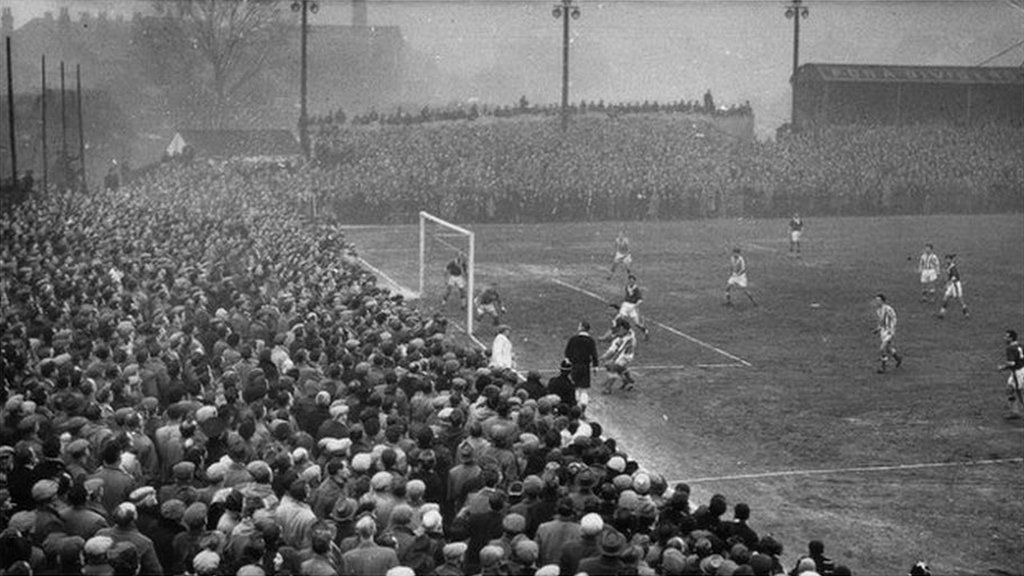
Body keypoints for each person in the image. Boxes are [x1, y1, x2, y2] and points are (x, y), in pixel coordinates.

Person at [564, 321, 600, 405]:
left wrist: (568, 360)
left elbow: (567, 352)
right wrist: (595, 366)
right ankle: (583, 406)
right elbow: (594, 354)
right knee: (584, 389)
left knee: (575, 386)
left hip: (575, 366)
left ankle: (575, 404)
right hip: (585, 367)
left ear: (582, 328)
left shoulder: (573, 339)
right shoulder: (590, 340)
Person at [600, 318, 637, 393]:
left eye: (617, 328)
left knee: (613, 366)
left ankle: (608, 388)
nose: (615, 330)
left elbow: (619, 352)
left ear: (622, 328)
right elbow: (612, 349)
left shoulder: (629, 338)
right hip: (621, 353)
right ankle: (628, 380)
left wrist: (612, 360)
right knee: (611, 364)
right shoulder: (621, 335)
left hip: (626, 355)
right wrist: (604, 357)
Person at [873, 293, 903, 374]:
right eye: (876, 300)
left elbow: (894, 318)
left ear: (883, 301)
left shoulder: (888, 309)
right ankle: (898, 359)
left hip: (889, 332)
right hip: (883, 332)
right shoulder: (878, 310)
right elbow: (881, 322)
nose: (876, 302)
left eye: (878, 300)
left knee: (882, 348)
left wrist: (892, 330)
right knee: (889, 349)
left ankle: (883, 367)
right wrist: (878, 329)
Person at [999, 329, 1024, 420]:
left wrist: (1002, 367)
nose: (1004, 338)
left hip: (1018, 373)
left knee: (1020, 394)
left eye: (1006, 337)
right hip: (1020, 371)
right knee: (1009, 390)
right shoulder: (1020, 345)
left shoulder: (1010, 348)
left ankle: (1015, 412)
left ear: (1011, 338)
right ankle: (1015, 412)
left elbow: (1011, 363)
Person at [617, 275, 650, 341]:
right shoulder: (627, 287)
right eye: (629, 280)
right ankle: (620, 333)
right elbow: (628, 295)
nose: (630, 282)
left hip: (632, 306)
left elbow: (640, 300)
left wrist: (635, 306)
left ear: (634, 281)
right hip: (626, 305)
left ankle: (645, 331)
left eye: (632, 281)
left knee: (637, 323)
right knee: (620, 319)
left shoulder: (636, 289)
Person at [938, 253, 969, 319]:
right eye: (946, 259)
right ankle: (942, 313)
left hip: (955, 285)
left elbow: (954, 277)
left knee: (959, 299)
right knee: (945, 298)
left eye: (948, 259)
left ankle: (966, 311)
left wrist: (948, 283)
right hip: (951, 285)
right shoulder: (949, 267)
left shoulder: (953, 268)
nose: (947, 261)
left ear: (951, 260)